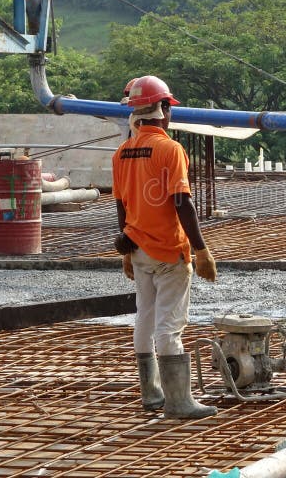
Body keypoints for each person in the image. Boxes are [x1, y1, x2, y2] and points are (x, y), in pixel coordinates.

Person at [112, 75, 218, 418]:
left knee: (145, 319)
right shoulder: (170, 149)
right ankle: (179, 402)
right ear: (165, 110)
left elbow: (121, 205)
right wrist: (201, 250)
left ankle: (152, 394)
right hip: (170, 251)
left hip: (139, 249)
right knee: (169, 326)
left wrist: (128, 252)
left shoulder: (122, 153)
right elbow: (182, 202)